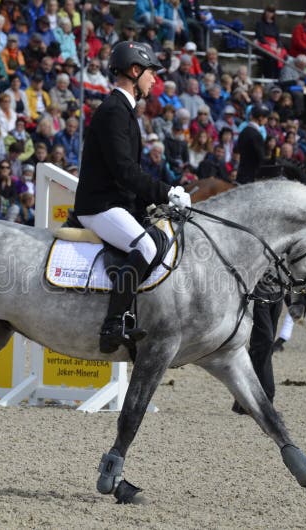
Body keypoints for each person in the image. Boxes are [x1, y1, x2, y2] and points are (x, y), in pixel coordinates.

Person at [73, 41, 189, 354]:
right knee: (146, 245)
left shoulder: (124, 110)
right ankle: (114, 323)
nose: (155, 80)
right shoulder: (113, 111)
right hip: (98, 207)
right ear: (135, 71)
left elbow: (125, 174)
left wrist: (151, 205)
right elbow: (125, 171)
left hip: (115, 203)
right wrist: (167, 191)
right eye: (151, 73)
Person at [235, 105, 268, 184]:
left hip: (241, 175)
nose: (266, 120)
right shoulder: (256, 135)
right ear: (260, 118)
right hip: (251, 178)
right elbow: (261, 158)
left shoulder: (244, 131)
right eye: (266, 118)